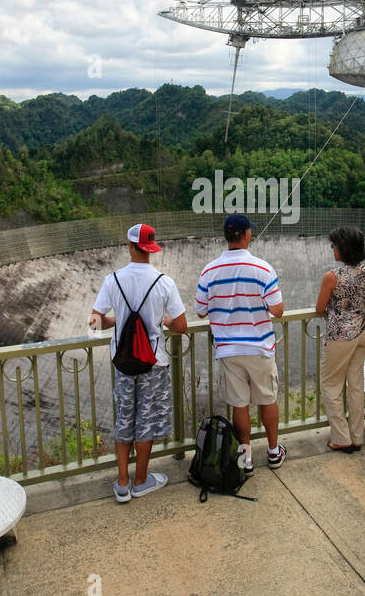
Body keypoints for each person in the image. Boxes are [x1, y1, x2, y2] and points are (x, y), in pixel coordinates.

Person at [90, 223, 188, 503]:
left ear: (131, 247)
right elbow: (181, 325)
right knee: (146, 421)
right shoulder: (163, 282)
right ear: (151, 249)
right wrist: (162, 320)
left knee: (125, 419)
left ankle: (122, 483)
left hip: (123, 363)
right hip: (153, 363)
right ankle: (142, 480)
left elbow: (95, 321)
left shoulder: (113, 280)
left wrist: (117, 321)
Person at [195, 214, 287, 471]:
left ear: (226, 237)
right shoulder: (263, 268)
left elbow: (200, 310)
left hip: (228, 349)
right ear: (247, 235)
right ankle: (272, 452)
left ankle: (245, 459)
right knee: (267, 399)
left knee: (240, 405)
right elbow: (277, 310)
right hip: (259, 347)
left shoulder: (209, 270)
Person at [315, 227, 365, 452]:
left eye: (335, 245)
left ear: (343, 249)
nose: (333, 249)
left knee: (331, 385)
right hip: (363, 332)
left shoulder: (332, 277)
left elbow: (320, 307)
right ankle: (357, 435)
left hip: (340, 336)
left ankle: (341, 438)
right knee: (356, 385)